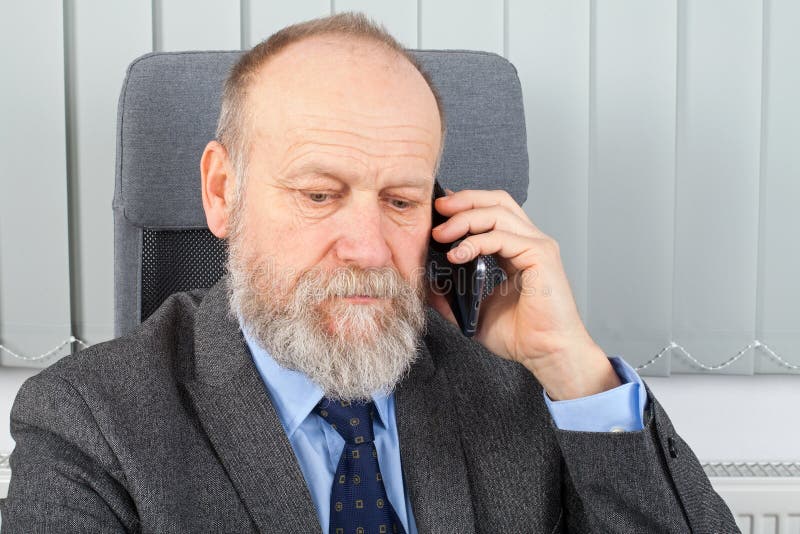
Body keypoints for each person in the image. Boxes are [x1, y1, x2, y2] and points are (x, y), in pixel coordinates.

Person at [1, 12, 737, 534]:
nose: (367, 247)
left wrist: (573, 368)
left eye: (401, 200)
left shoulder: (521, 392)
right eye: (320, 195)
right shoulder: (92, 421)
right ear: (223, 192)